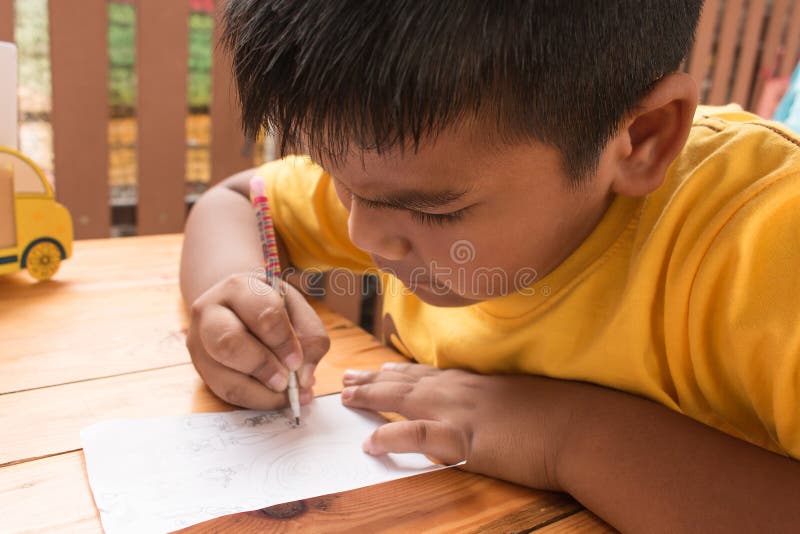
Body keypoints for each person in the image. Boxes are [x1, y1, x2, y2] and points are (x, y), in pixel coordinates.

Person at [180, 1, 800, 530]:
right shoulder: (407, 164)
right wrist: (236, 293)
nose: (361, 233)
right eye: (336, 179)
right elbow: (238, 201)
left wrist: (566, 437)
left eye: (437, 212)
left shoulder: (767, 242)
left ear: (640, 139)